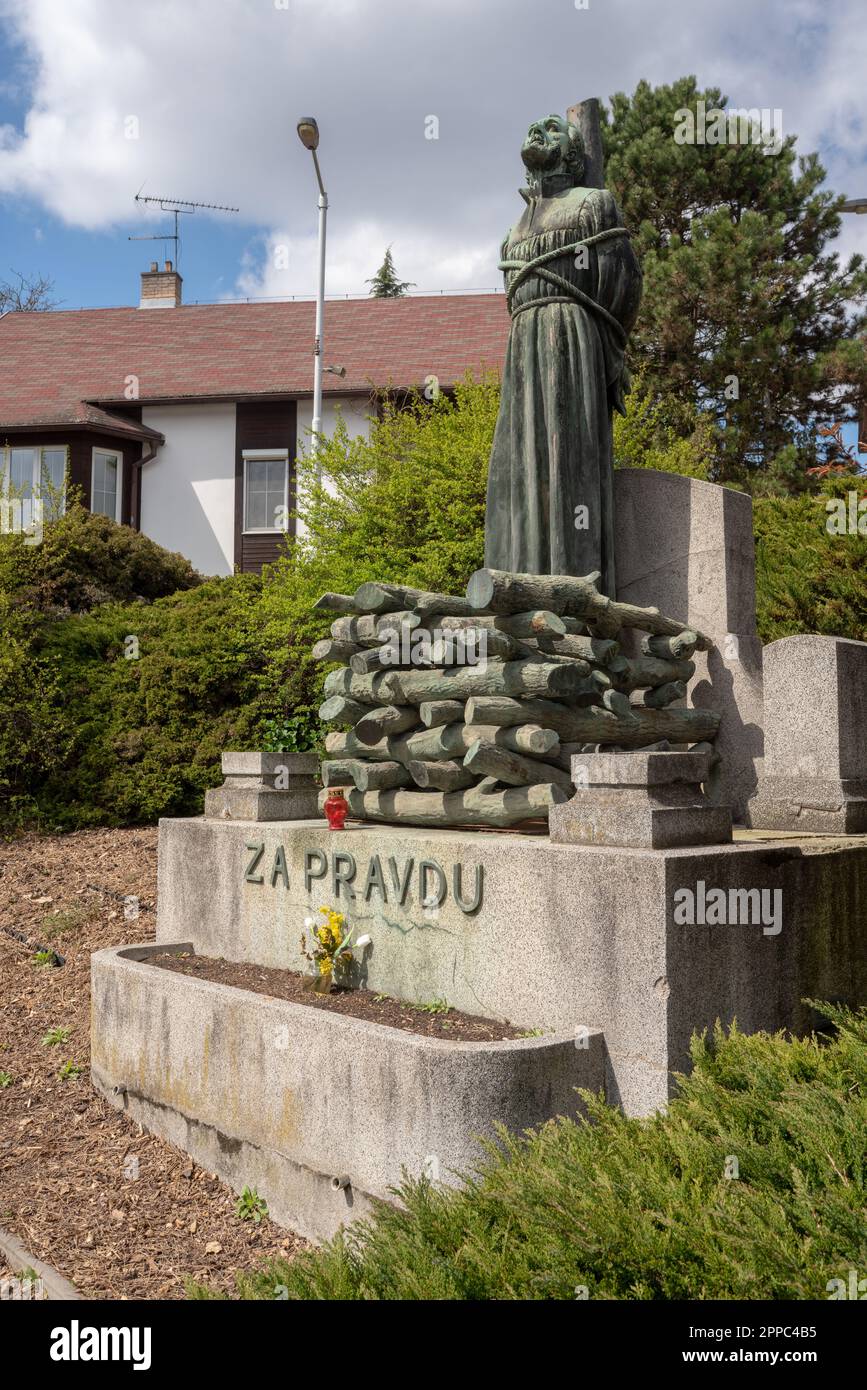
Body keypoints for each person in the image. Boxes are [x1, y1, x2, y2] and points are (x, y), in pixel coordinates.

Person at [484, 113, 642, 595]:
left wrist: (599, 348)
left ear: (573, 154)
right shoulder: (516, 226)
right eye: (532, 127)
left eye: (552, 128)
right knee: (516, 467)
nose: (537, 132)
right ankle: (520, 580)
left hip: (569, 338)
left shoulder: (592, 204)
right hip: (522, 347)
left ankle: (573, 587)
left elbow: (622, 285)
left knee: (565, 454)